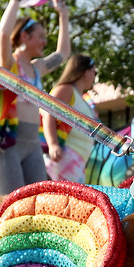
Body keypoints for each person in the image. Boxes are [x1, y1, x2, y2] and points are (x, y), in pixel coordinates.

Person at [0, 0, 70, 195]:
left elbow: (62, 53)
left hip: (32, 144)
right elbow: (3, 35)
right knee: (11, 204)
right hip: (7, 143)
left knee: (36, 202)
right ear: (25, 36)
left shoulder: (36, 68)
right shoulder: (9, 65)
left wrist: (63, 15)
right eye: (41, 36)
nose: (44, 42)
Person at [43, 54, 99, 183]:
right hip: (64, 157)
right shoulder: (66, 89)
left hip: (78, 160)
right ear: (85, 72)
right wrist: (53, 144)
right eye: (94, 72)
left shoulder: (83, 96)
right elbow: (48, 114)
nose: (94, 77)